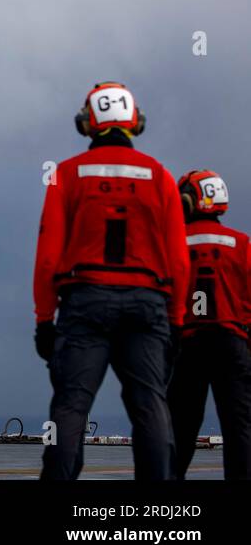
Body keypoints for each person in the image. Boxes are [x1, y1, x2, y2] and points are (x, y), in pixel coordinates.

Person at [33, 82, 188, 480]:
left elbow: (49, 253)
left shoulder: (66, 174)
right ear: (136, 122)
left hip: (84, 302)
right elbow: (178, 260)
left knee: (70, 406)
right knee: (151, 404)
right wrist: (177, 320)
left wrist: (44, 320)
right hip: (147, 303)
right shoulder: (161, 177)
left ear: (87, 123)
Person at [167, 170, 251, 479]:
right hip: (232, 343)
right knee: (239, 427)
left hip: (189, 343)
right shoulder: (241, 243)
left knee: (182, 425)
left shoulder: (176, 242)